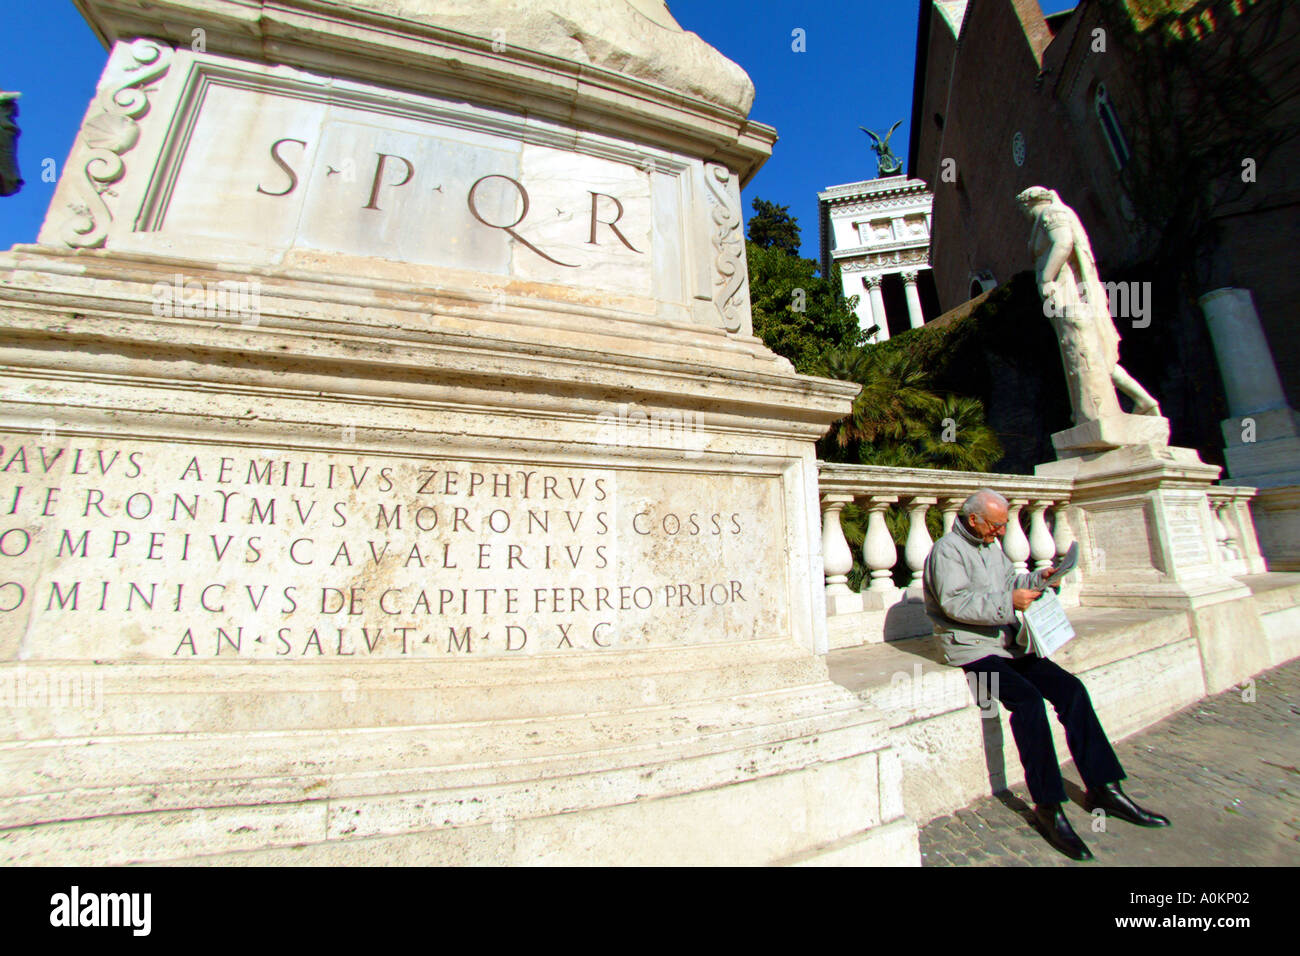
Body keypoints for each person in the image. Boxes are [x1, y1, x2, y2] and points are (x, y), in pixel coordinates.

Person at [922, 489, 1169, 860]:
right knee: (1027, 700)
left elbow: (1011, 585)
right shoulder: (947, 550)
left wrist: (1040, 580)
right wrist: (1009, 603)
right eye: (996, 525)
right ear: (973, 519)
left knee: (1071, 689)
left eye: (1004, 525)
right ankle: (1049, 806)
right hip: (968, 650)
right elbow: (954, 602)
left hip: (1006, 642)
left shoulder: (990, 545)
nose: (1001, 532)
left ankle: (1104, 786)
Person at [1016, 186, 1161, 424]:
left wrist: (1046, 278)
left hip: (1068, 290)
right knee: (1091, 352)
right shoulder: (1046, 217)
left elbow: (1063, 244)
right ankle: (1141, 401)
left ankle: (1097, 412)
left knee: (1084, 348)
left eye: (1022, 208)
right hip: (1060, 292)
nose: (1022, 213)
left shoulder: (1051, 213)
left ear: (1027, 204)